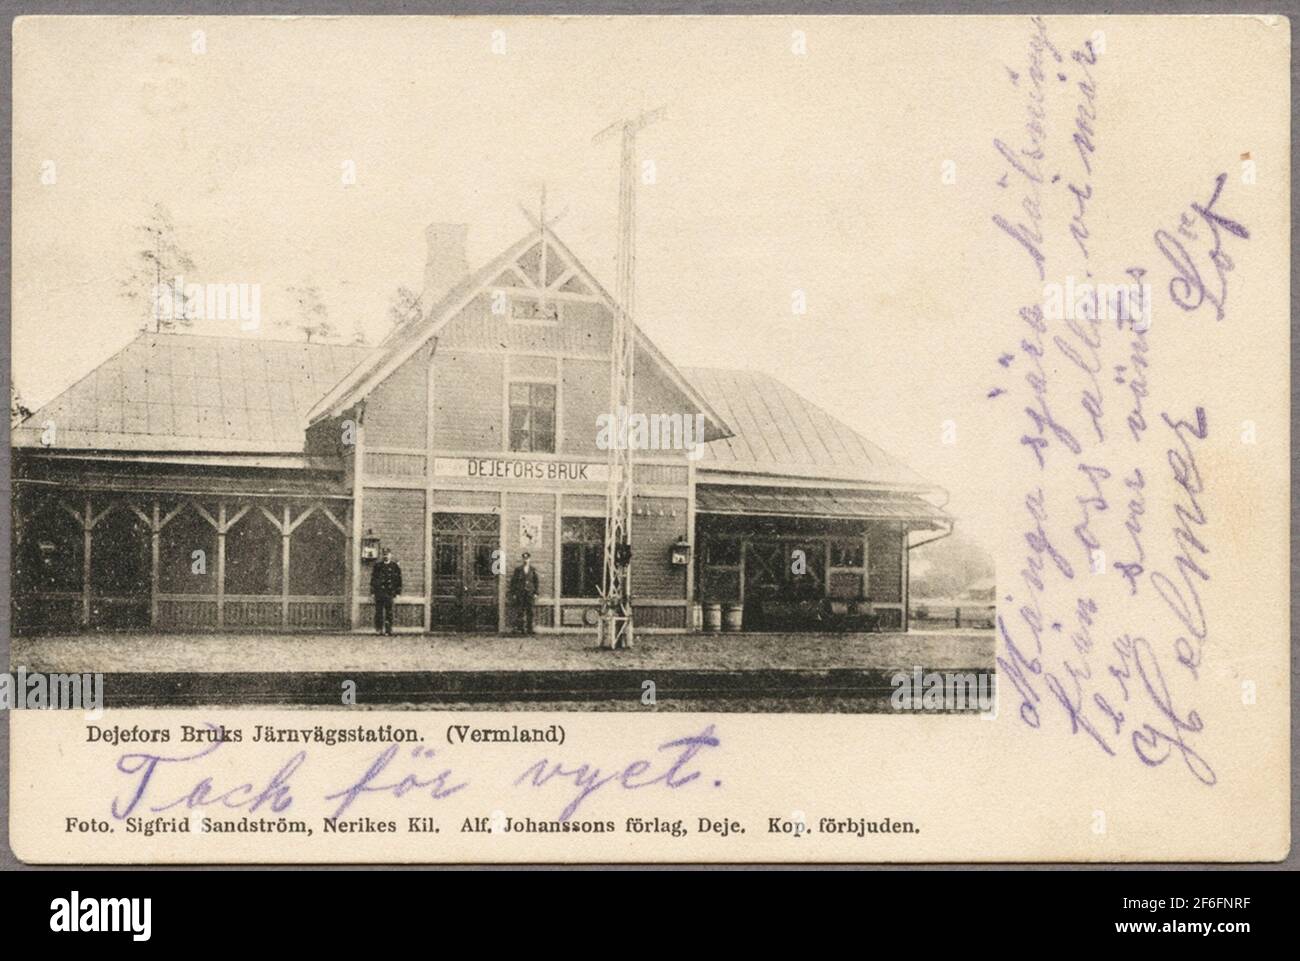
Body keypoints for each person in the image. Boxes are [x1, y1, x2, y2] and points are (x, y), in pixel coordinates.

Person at [370, 547, 403, 636]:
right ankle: (379, 629)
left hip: (390, 593)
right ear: (382, 556)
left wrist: (398, 592)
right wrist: (372, 592)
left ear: (390, 555)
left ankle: (388, 630)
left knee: (389, 612)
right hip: (379, 592)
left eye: (387, 554)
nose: (386, 556)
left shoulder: (395, 566)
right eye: (384, 555)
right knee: (379, 612)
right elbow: (373, 579)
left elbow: (399, 580)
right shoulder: (377, 566)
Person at [509, 551, 540, 634]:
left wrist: (536, 593)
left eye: (527, 558)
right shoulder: (518, 570)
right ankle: (521, 629)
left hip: (530, 593)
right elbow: (513, 582)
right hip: (520, 593)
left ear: (530, 559)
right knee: (520, 611)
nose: (526, 560)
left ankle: (530, 629)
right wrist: (514, 593)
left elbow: (536, 582)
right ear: (522, 559)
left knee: (530, 611)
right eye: (524, 558)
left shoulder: (533, 570)